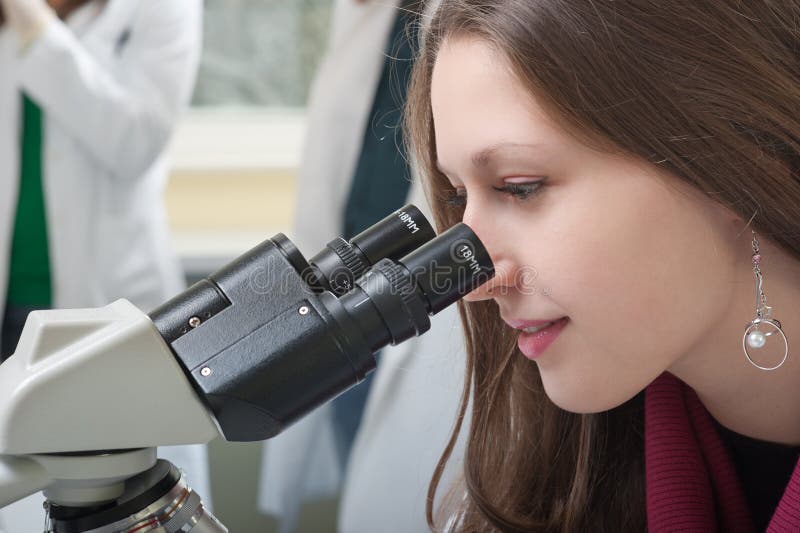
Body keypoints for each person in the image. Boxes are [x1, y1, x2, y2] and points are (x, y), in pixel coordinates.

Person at [404, 1, 800, 531]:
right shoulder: (559, 482)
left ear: (744, 163)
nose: (475, 284)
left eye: (521, 188)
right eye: (458, 198)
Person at [258, 1, 468, 532]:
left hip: (432, 320)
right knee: (367, 477)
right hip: (347, 309)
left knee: (422, 499)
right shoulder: (374, 16)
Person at [0, 0, 209, 529]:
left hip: (107, 313)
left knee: (123, 504)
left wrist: (33, 23)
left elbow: (133, 140)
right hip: (9, 316)